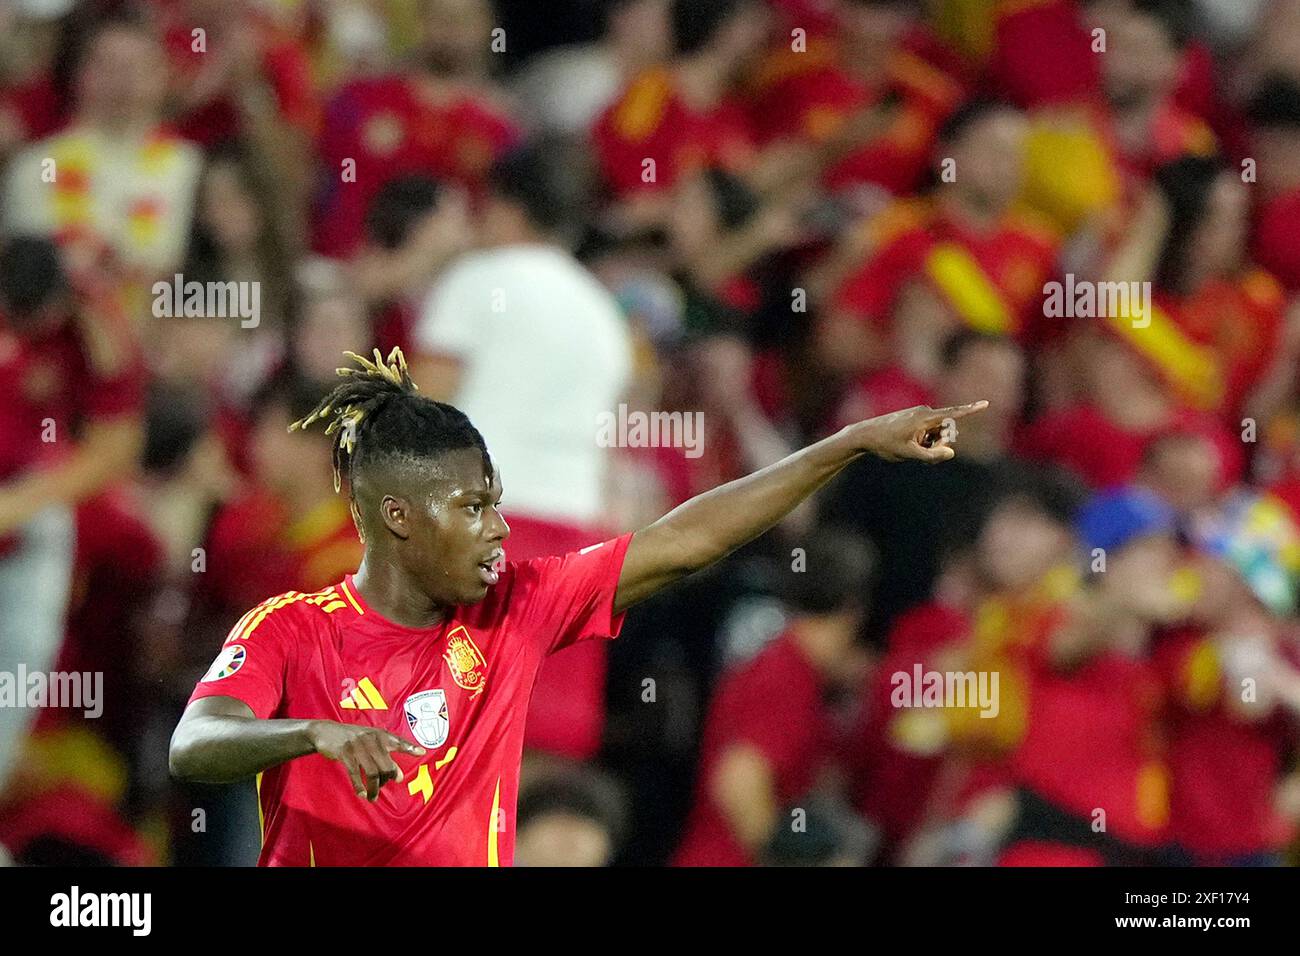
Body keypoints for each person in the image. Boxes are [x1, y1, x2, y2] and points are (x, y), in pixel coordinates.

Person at [169, 345, 986, 866]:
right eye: (473, 508)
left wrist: (843, 446)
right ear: (399, 517)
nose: (499, 530)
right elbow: (197, 742)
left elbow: (685, 539)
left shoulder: (516, 609)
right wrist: (313, 732)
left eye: (496, 502)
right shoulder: (292, 628)